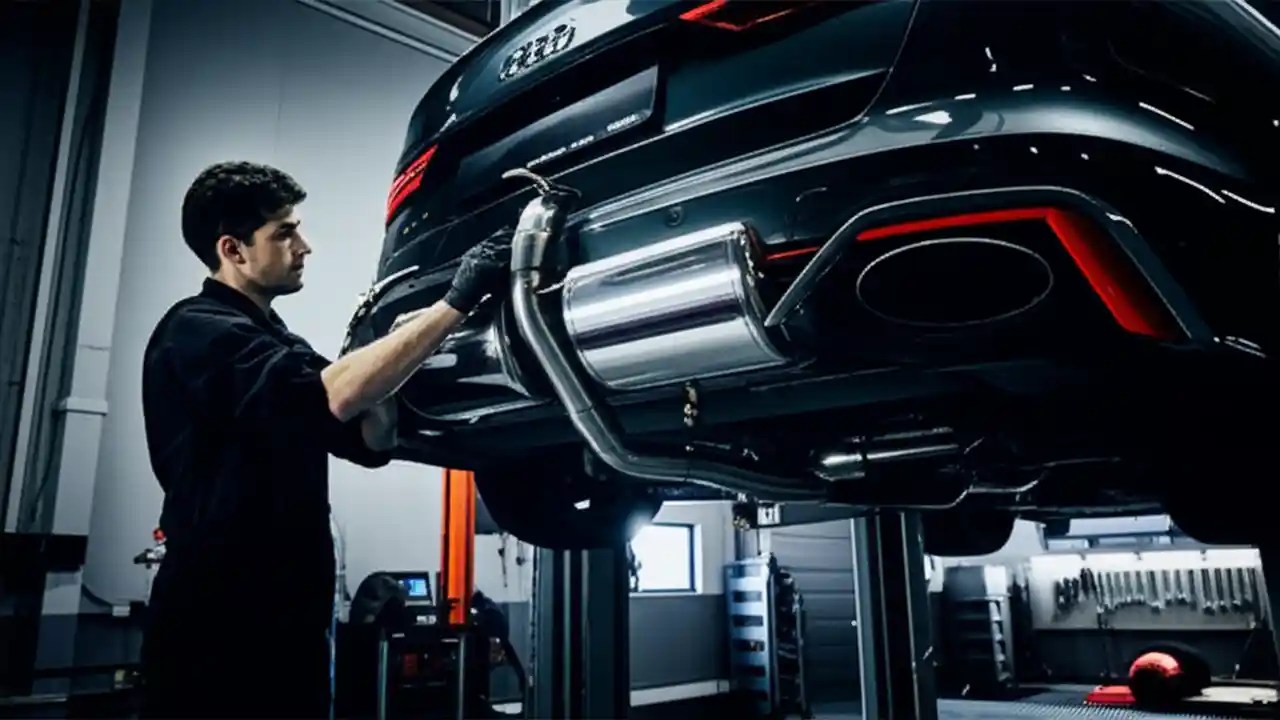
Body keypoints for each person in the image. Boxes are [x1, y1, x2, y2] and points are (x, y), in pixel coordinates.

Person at [138, 161, 510, 718]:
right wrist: (454, 303)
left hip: (290, 620)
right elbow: (330, 396)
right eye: (284, 232)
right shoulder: (197, 331)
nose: (304, 246)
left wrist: (390, 352)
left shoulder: (278, 341)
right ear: (233, 250)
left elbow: (371, 440)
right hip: (218, 624)